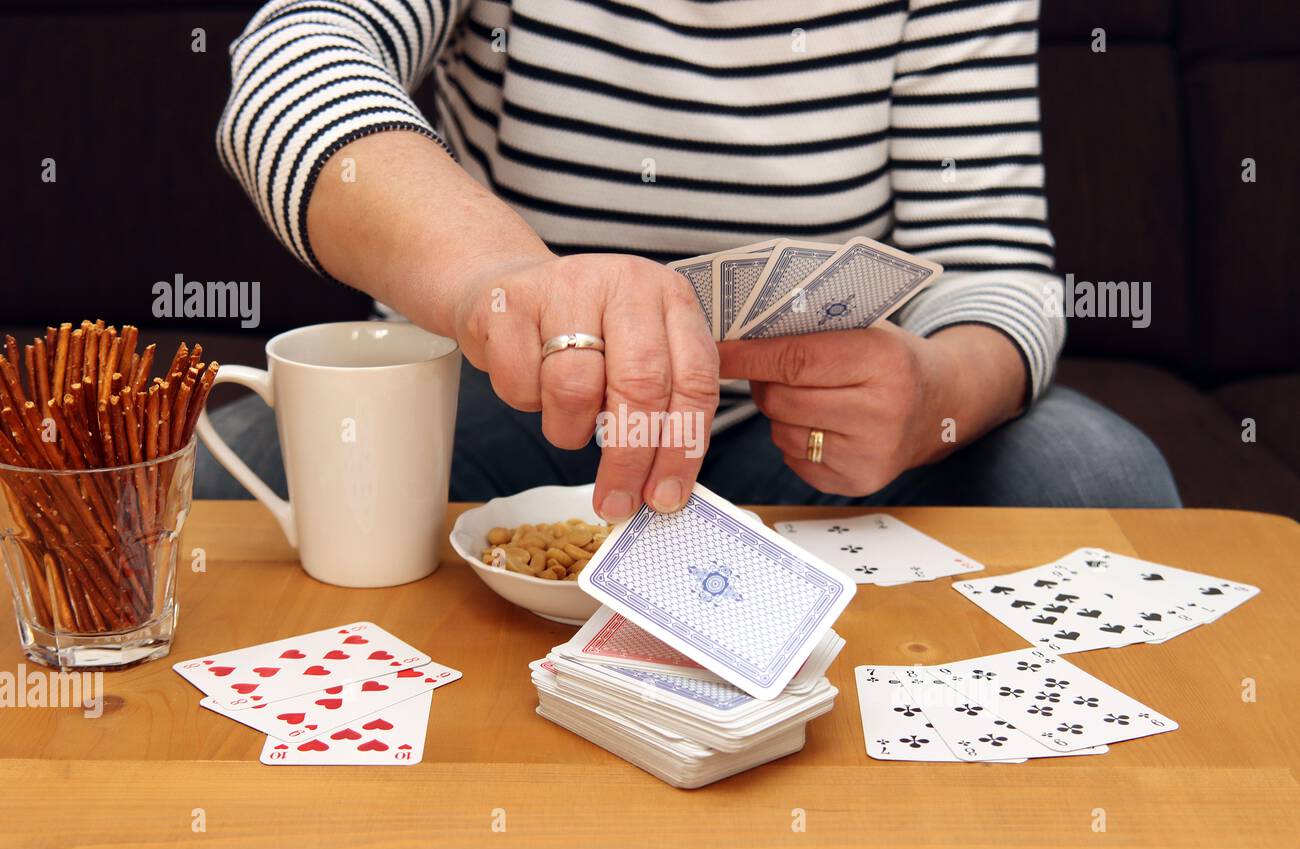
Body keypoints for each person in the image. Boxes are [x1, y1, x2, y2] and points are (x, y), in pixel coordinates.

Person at [201, 0, 1180, 514]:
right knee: (201, 495)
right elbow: (291, 60)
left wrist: (932, 390)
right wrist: (504, 281)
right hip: (489, 410)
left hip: (801, 447)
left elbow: (990, 259)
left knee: (1099, 478)